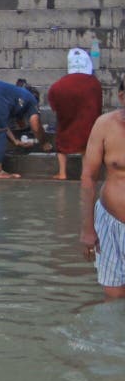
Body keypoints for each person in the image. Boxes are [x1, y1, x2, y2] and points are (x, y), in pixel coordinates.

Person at [80, 75, 125, 299]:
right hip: (110, 223)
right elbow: (88, 177)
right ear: (122, 97)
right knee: (113, 297)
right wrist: (88, 228)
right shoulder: (104, 125)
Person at [0, 79, 51, 178]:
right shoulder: (31, 99)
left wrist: (15, 141)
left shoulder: (14, 94)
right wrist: (44, 143)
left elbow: (2, 124)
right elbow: (35, 125)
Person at [48, 48, 103, 180]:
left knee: (62, 139)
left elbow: (53, 103)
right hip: (87, 120)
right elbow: (97, 105)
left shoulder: (59, 84)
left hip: (66, 117)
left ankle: (62, 173)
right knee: (86, 144)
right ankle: (85, 174)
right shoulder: (93, 83)